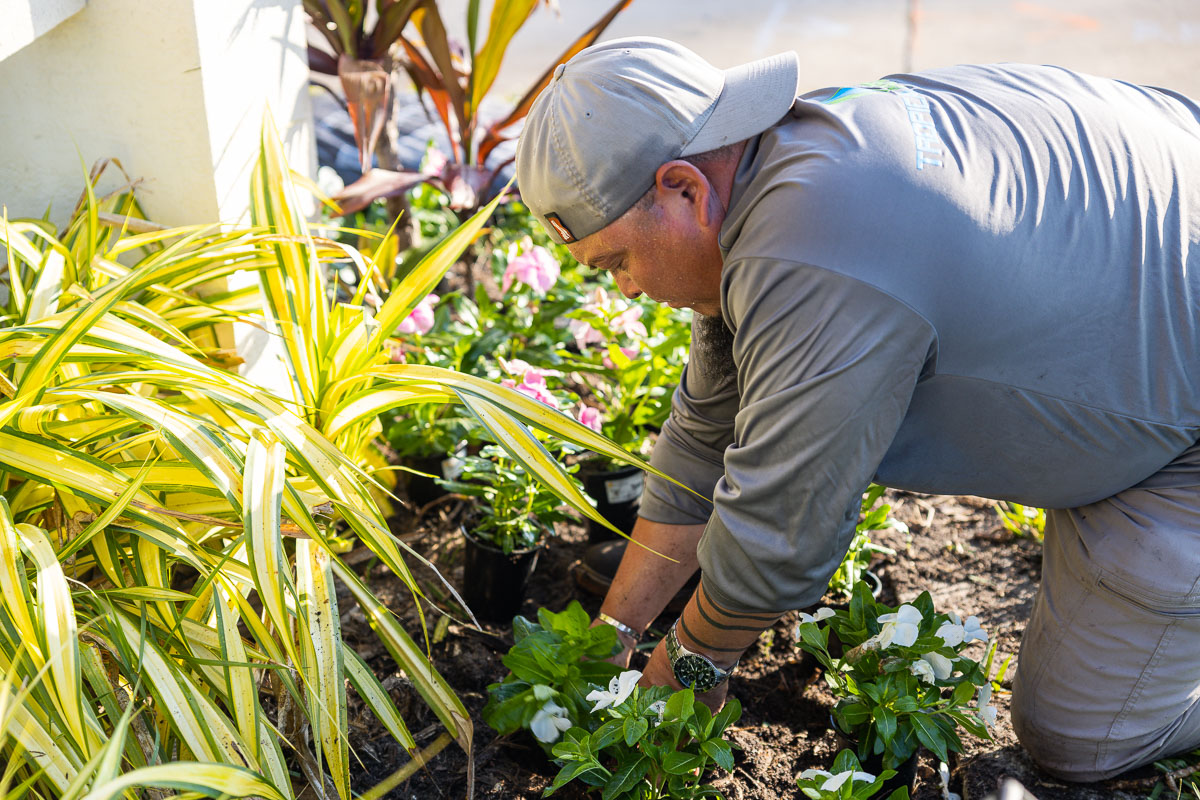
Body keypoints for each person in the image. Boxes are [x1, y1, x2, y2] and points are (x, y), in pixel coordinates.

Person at [514, 36, 1200, 783]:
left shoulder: (822, 253)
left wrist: (680, 684)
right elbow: (706, 435)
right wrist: (611, 638)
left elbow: (777, 541)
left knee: (1082, 737)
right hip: (1151, 271)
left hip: (1182, 421)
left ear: (683, 187)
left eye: (615, 261)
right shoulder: (783, 168)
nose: (623, 289)